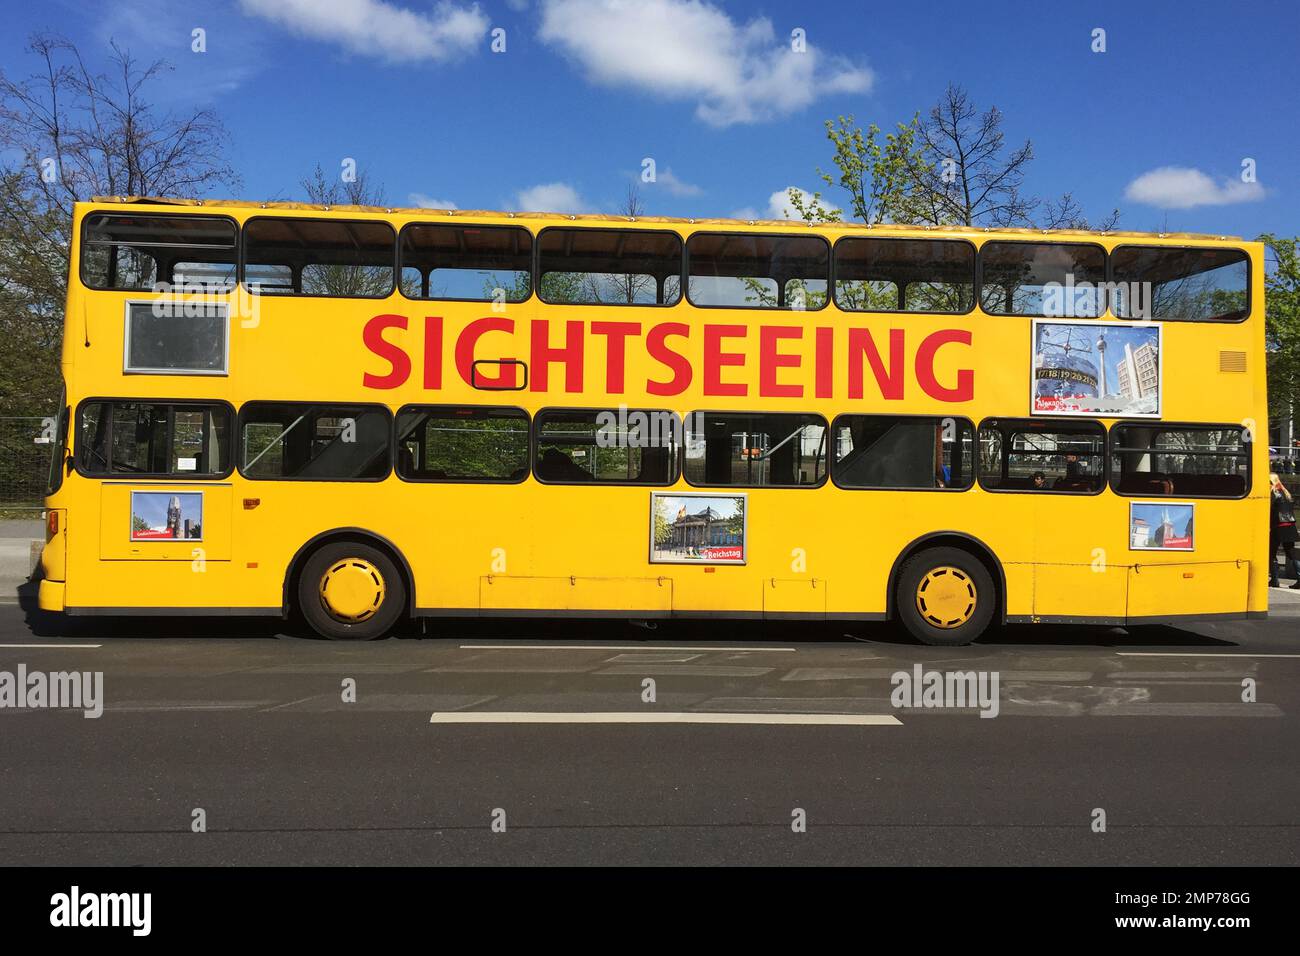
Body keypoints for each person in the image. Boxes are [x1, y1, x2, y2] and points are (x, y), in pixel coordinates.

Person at [1268, 473, 1300, 588]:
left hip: (1279, 526)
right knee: (1291, 553)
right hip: (1290, 526)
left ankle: (1274, 580)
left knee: (1271, 553)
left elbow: (1269, 510)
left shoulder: (1274, 493)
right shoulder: (1286, 493)